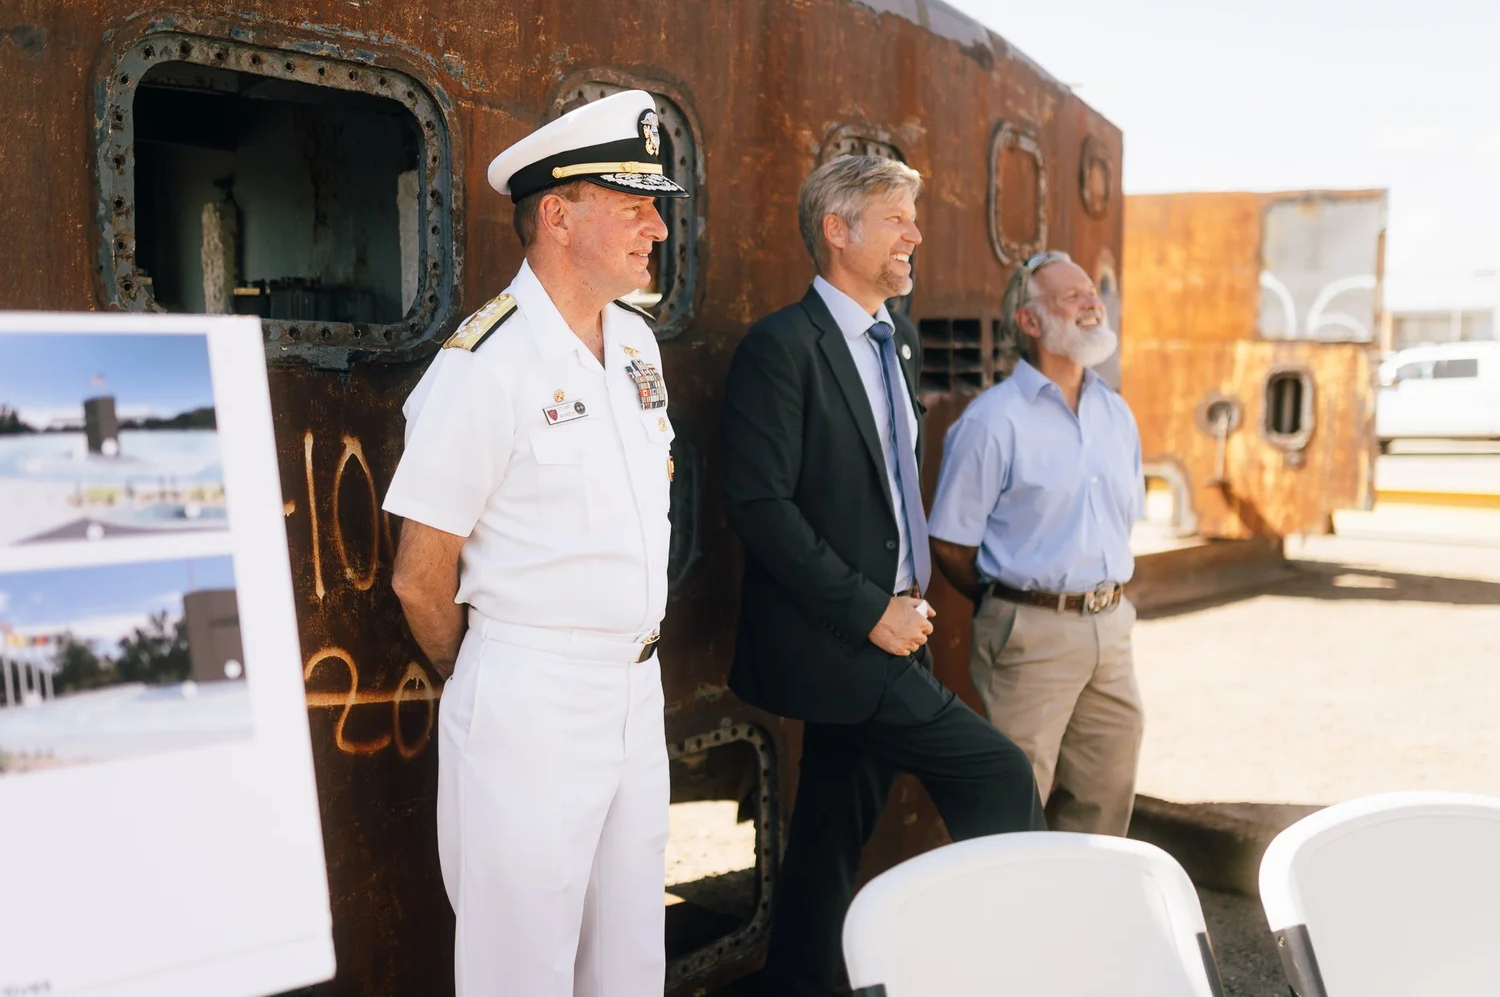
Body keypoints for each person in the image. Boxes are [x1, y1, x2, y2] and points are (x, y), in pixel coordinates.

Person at [381, 89, 687, 997]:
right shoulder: (486, 366)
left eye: (655, 206)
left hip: (636, 688)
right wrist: (489, 674)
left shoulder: (635, 345)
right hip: (532, 698)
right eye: (633, 205)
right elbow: (420, 577)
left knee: (629, 958)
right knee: (522, 968)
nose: (655, 228)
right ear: (557, 215)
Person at [720, 155, 1043, 996]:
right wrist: (873, 613)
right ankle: (1023, 968)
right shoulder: (780, 348)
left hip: (896, 626)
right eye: (897, 218)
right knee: (998, 775)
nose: (916, 234)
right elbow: (760, 508)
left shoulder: (893, 337)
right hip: (850, 639)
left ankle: (798, 983)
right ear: (839, 230)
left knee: (831, 830)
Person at [928, 250, 1146, 836]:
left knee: (1104, 800)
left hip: (1112, 627)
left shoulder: (1116, 413)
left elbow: (1123, 524)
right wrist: (1012, 604)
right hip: (1030, 634)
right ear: (1029, 322)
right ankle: (1007, 926)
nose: (1091, 302)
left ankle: (1078, 925)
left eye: (1090, 292)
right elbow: (950, 544)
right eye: (1071, 296)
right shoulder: (991, 421)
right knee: (1014, 809)